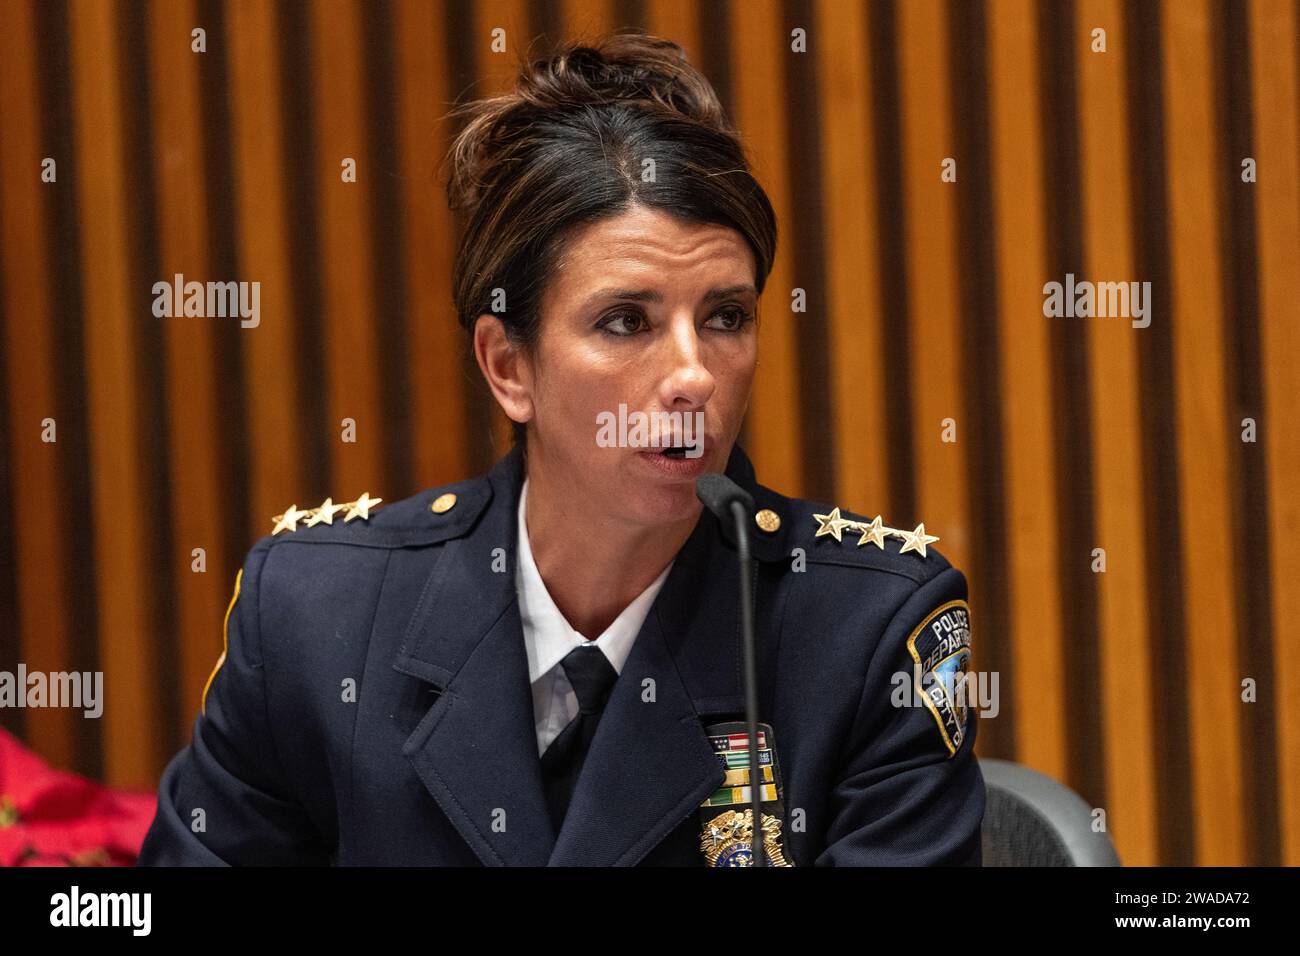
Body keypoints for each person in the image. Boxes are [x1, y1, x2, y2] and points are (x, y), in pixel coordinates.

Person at [138, 31, 984, 867]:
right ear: (509, 366)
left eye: (726, 317)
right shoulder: (317, 621)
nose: (693, 373)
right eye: (627, 321)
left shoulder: (868, 635)